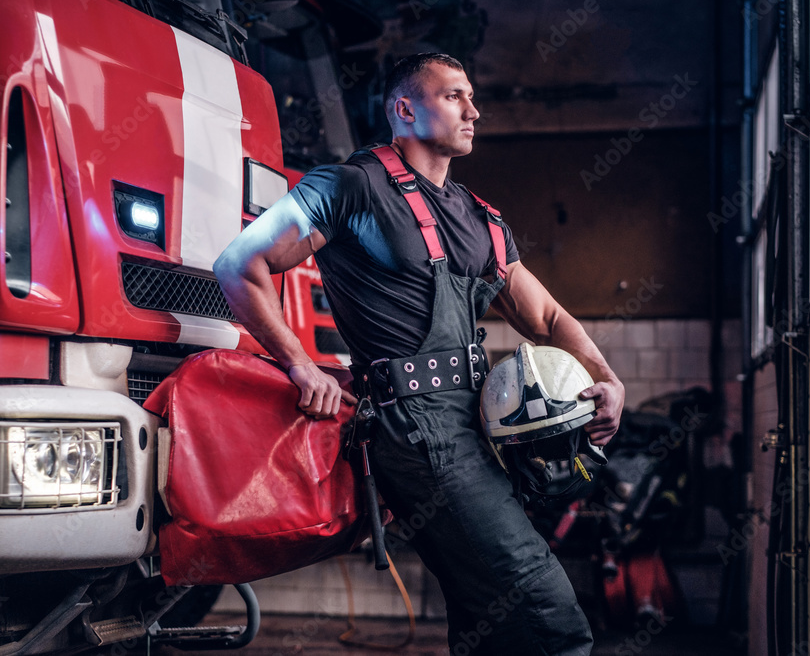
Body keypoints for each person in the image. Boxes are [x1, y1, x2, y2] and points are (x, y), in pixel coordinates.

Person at [214, 52, 624, 655]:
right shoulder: (350, 186)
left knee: (488, 616)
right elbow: (237, 264)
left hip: (479, 426)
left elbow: (547, 317)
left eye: (472, 96)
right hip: (417, 433)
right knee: (547, 617)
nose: (474, 110)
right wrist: (300, 364)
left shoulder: (481, 219)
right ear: (405, 109)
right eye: (455, 96)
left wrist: (606, 377)